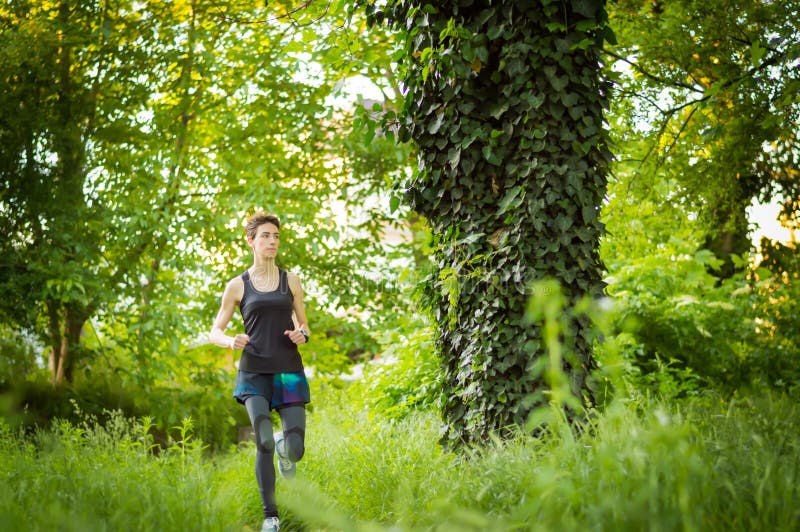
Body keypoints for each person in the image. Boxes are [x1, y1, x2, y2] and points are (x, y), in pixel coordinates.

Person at [209, 212, 310, 532]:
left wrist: (302, 334)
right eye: (265, 236)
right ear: (251, 241)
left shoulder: (291, 280)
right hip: (254, 374)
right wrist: (230, 341)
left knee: (296, 449)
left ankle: (285, 447)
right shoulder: (237, 285)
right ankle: (271, 516)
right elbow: (215, 331)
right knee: (263, 441)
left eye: (276, 236)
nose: (272, 241)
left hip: (289, 371)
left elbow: (304, 324)